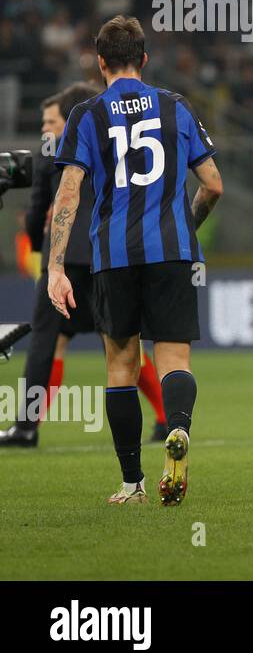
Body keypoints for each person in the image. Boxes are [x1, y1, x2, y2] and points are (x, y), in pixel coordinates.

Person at [47, 15, 223, 506]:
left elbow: (68, 192)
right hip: (172, 251)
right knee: (173, 359)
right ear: (145, 60)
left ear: (99, 62)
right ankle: (180, 430)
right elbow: (214, 184)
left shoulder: (85, 114)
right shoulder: (176, 107)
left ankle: (132, 483)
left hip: (113, 256)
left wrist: (56, 267)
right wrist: (188, 224)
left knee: (122, 366)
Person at [0, 84, 169, 448]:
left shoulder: (56, 153)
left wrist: (38, 236)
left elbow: (35, 210)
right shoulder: (116, 148)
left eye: (51, 120)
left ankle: (27, 427)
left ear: (70, 118)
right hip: (108, 256)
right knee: (125, 345)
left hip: (63, 262)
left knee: (47, 344)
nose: (46, 129)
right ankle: (166, 416)